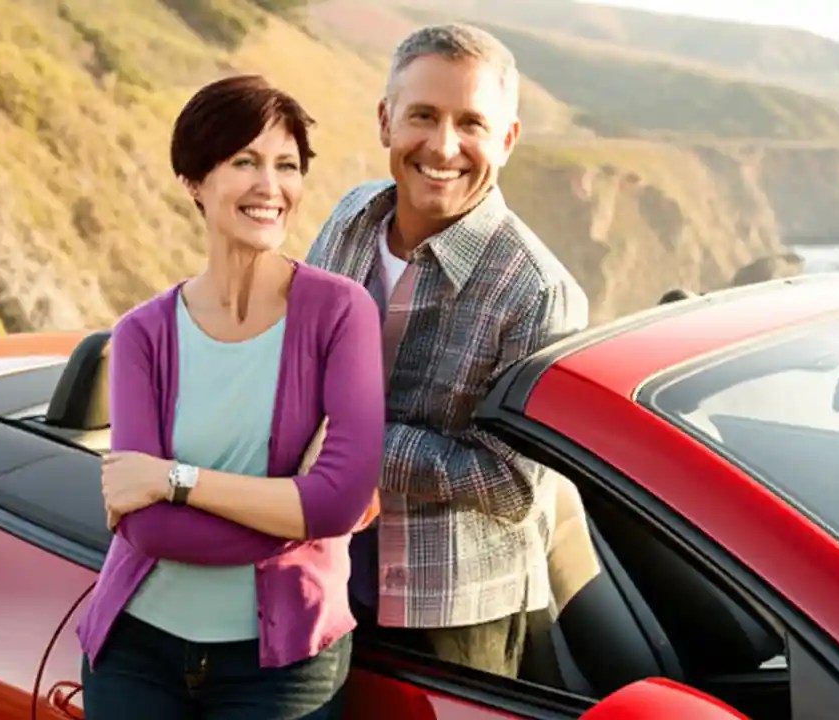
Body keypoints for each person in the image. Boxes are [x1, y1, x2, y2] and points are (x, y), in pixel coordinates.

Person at [75, 75, 385, 719]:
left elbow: (339, 503)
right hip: (136, 653)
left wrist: (172, 478)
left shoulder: (340, 314)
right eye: (244, 161)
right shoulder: (142, 334)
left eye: (286, 166)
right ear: (194, 179)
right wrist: (292, 508)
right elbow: (149, 528)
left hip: (281, 670)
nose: (270, 186)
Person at [305, 23, 589, 679]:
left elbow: (516, 484)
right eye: (424, 116)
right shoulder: (350, 216)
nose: (443, 146)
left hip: (450, 612)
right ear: (385, 121)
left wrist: (356, 445)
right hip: (320, 565)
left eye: (471, 123)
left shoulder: (539, 294)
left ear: (508, 139)